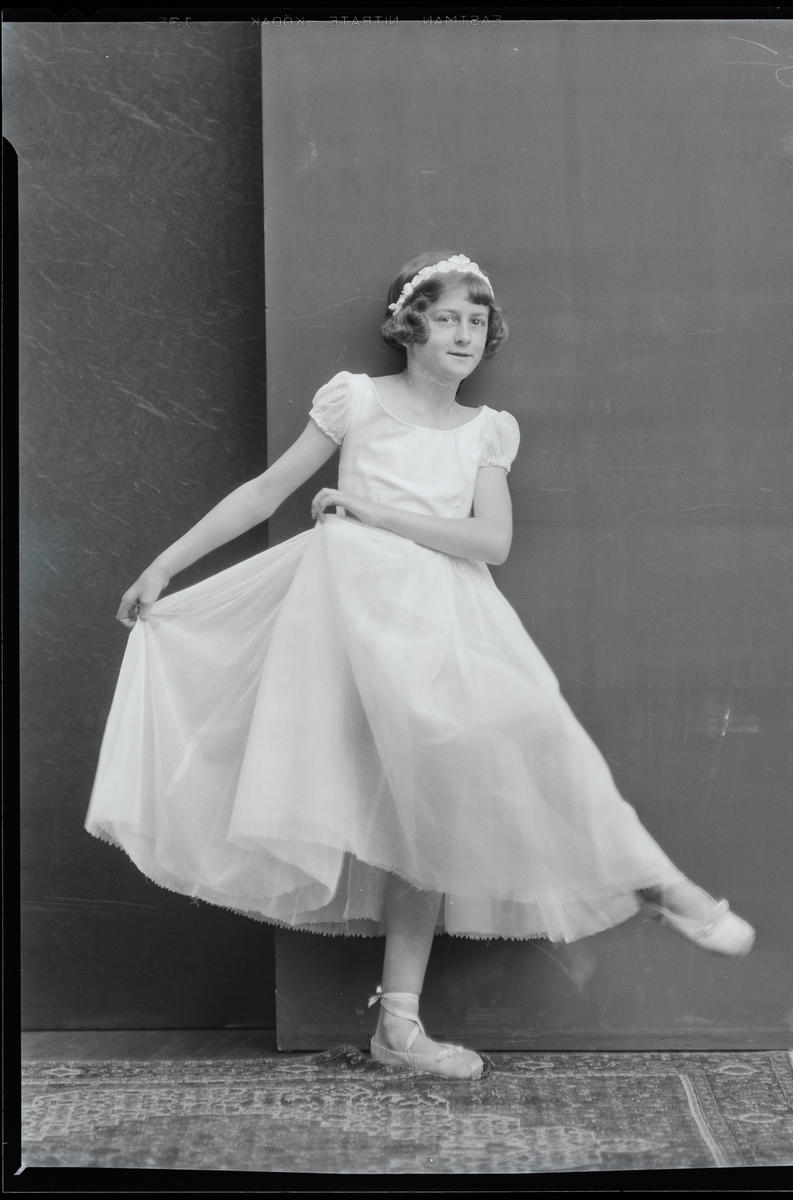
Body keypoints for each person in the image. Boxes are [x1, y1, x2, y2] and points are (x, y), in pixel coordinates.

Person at [86, 250, 755, 1082]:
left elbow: (492, 542)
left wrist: (368, 506)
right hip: (354, 620)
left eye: (476, 321)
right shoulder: (357, 401)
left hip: (450, 621)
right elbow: (265, 492)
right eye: (446, 318)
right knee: (424, 805)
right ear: (410, 327)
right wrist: (164, 566)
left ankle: (635, 887)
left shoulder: (486, 431)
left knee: (493, 764)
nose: (463, 333)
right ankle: (426, 1013)